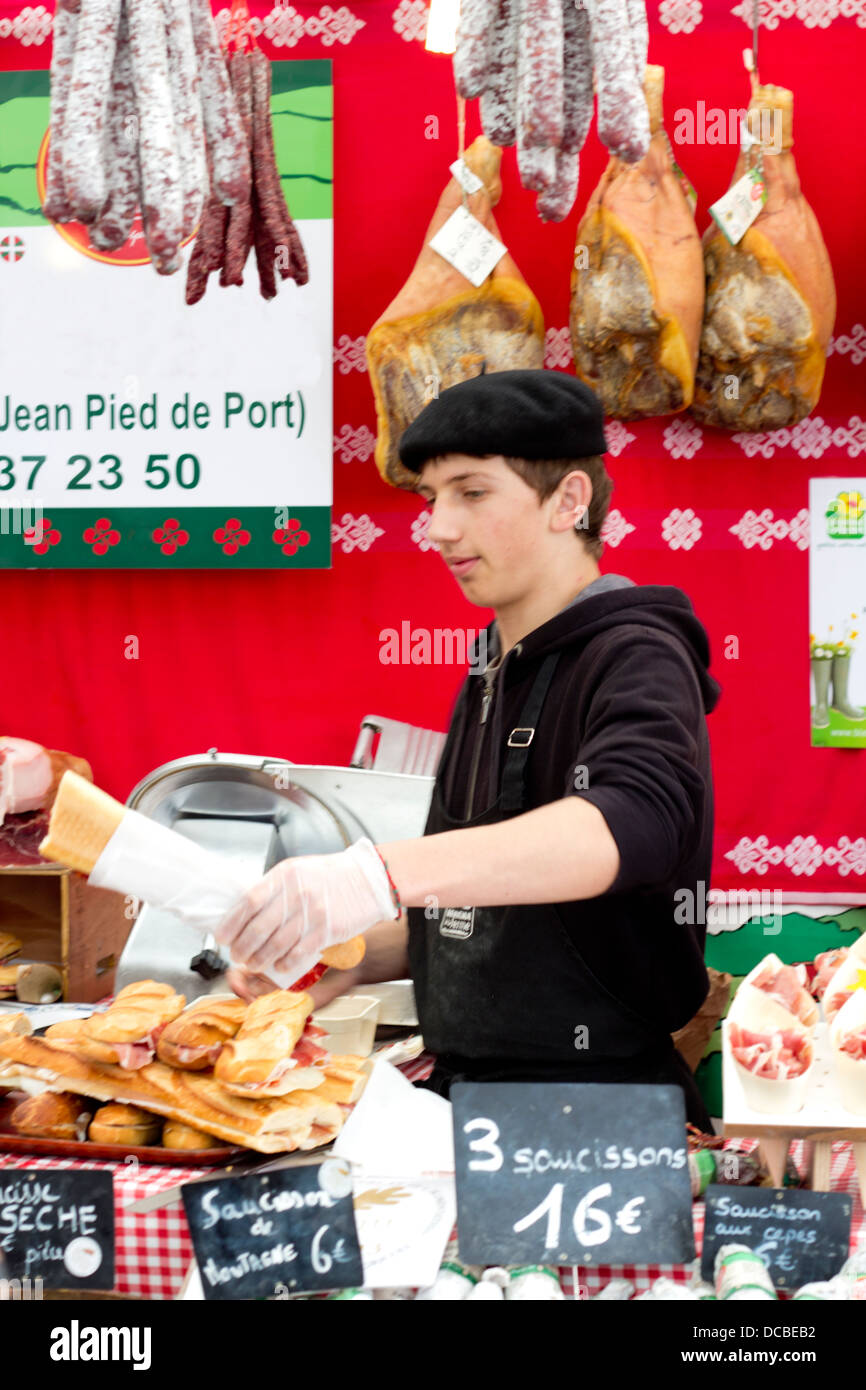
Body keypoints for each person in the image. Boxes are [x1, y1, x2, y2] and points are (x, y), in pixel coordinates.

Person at [219, 370, 720, 1128]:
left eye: (472, 492)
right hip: (464, 1103)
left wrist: (374, 874)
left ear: (570, 502)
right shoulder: (494, 666)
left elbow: (632, 823)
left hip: (601, 1117)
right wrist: (330, 958)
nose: (439, 528)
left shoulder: (635, 652)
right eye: (431, 499)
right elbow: (482, 915)